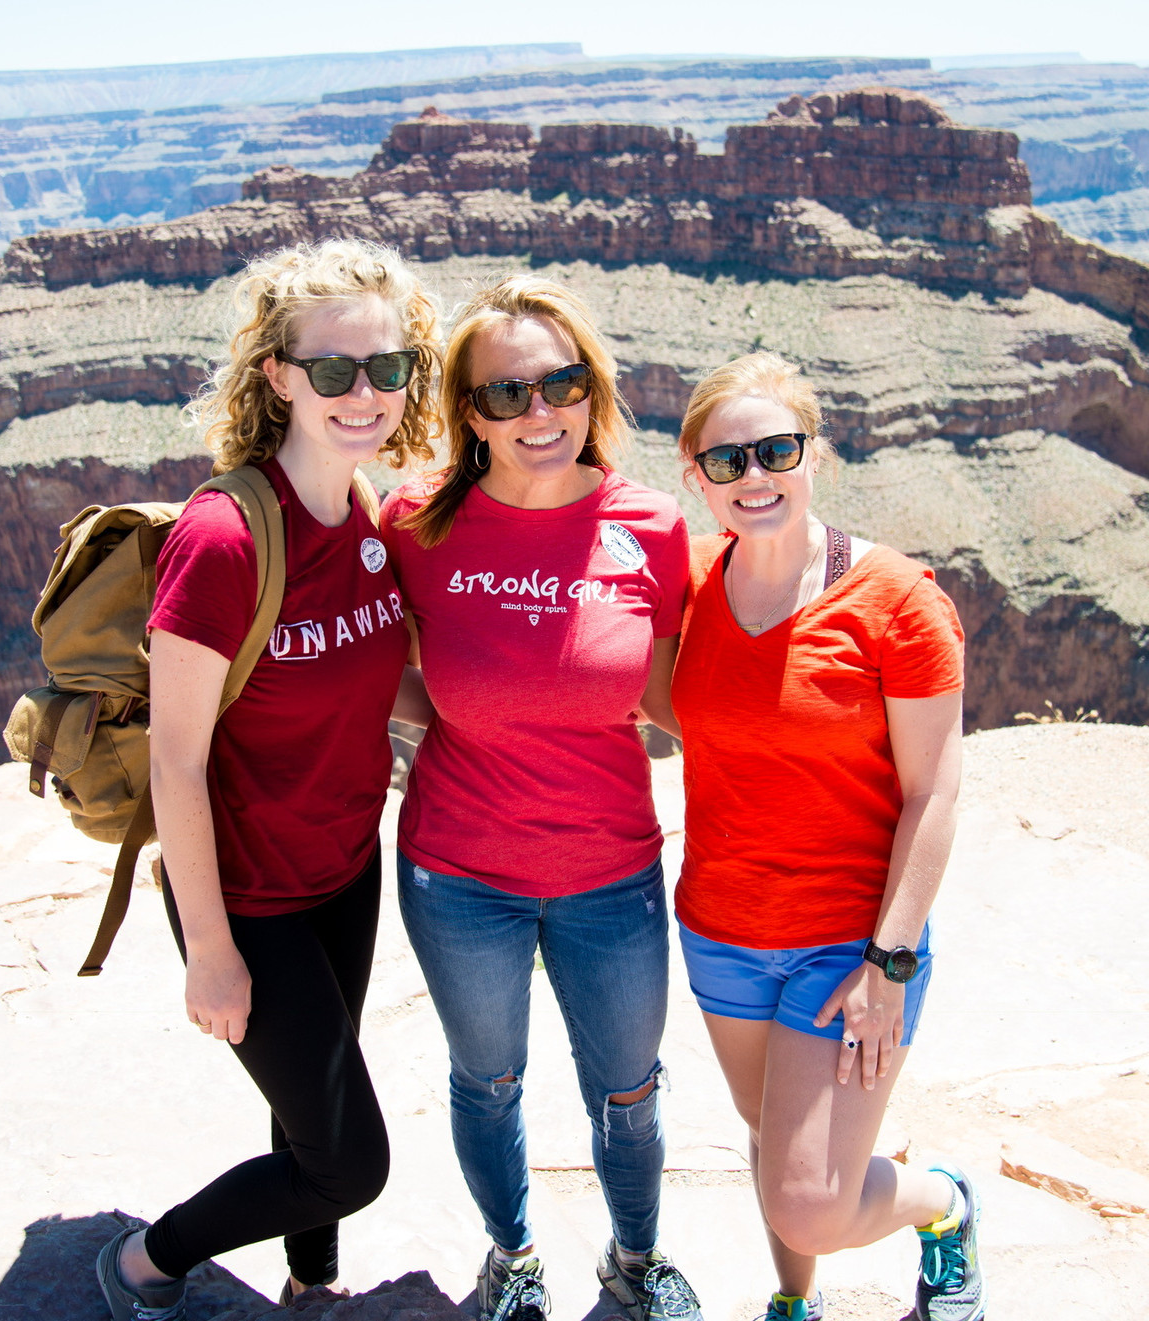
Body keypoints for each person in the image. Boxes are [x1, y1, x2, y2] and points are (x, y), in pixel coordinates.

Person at [95, 239, 440, 1321]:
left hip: (345, 866)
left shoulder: (372, 518)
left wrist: (551, 711)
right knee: (353, 1161)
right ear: (280, 375)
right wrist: (210, 950)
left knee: (307, 1108)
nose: (363, 394)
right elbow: (179, 759)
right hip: (252, 899)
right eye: (332, 370)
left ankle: (311, 1279)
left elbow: (384, 686)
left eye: (387, 370)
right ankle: (149, 1259)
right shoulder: (225, 540)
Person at [379, 274, 702, 1321]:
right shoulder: (418, 524)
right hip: (457, 873)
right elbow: (372, 661)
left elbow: (670, 698)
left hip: (610, 872)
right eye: (505, 393)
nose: (539, 412)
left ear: (592, 388)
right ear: (468, 414)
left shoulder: (649, 528)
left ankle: (637, 1260)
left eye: (561, 383)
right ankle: (513, 1256)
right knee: (488, 1080)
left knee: (630, 1089)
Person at [660, 353, 981, 1321]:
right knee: (769, 1137)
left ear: (814, 453)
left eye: (776, 450)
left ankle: (946, 1201)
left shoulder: (894, 600)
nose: (753, 476)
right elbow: (649, 694)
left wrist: (890, 963)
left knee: (808, 1197)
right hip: (721, 925)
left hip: (849, 940)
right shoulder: (690, 586)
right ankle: (793, 1304)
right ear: (695, 476)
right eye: (727, 460)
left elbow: (936, 791)